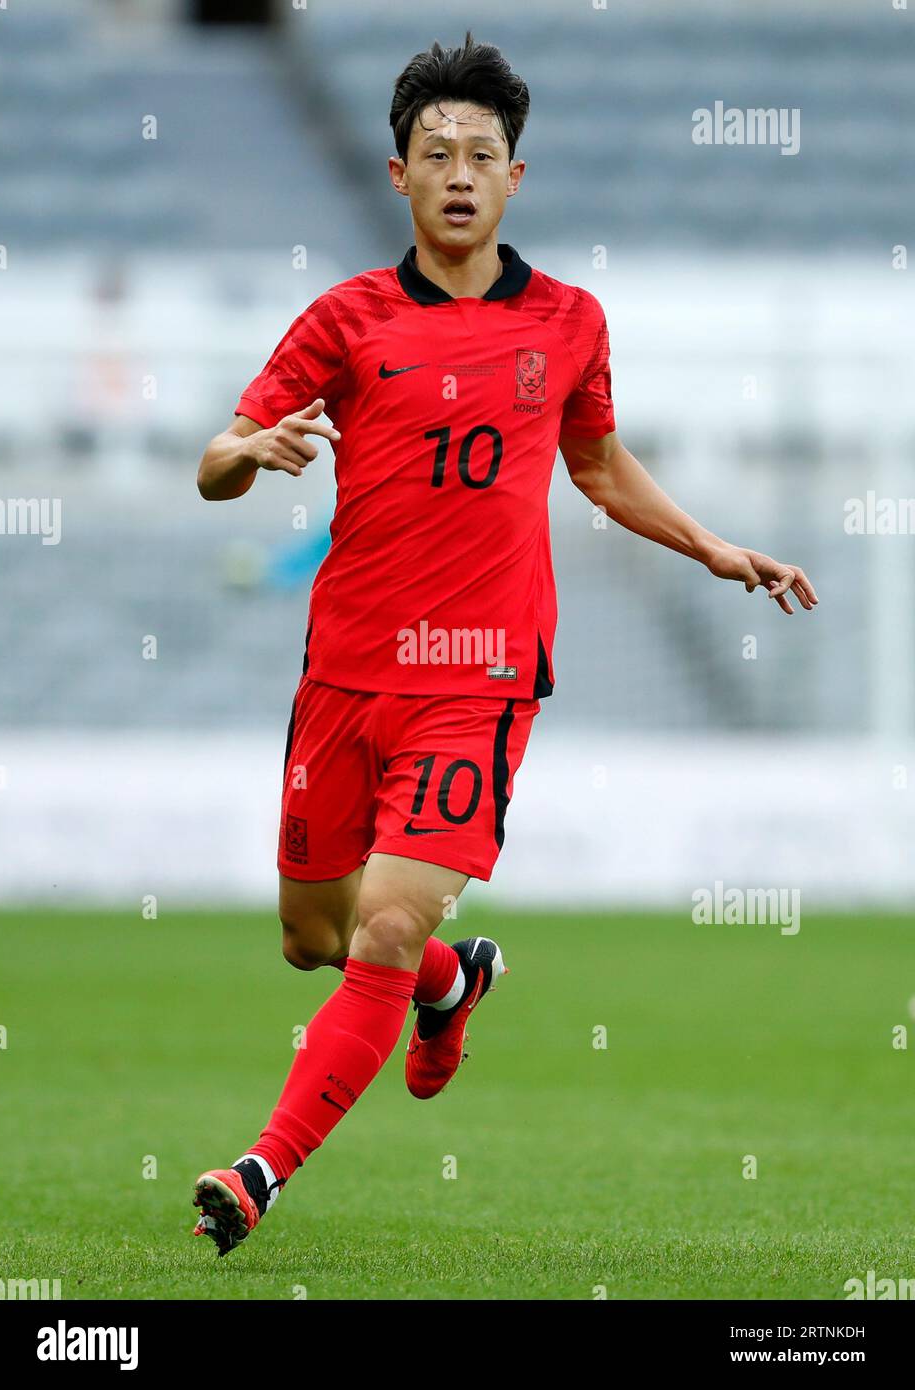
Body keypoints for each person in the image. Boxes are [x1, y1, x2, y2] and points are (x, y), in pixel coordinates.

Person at [192, 32, 817, 1255]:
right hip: (343, 673)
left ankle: (260, 1168)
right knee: (311, 939)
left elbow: (595, 465)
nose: (461, 171)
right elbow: (217, 456)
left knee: (382, 918)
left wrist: (710, 545)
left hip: (478, 672)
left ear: (514, 179)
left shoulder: (567, 321)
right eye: (438, 153)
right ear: (399, 176)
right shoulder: (347, 317)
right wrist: (244, 456)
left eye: (483, 152)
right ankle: (450, 981)